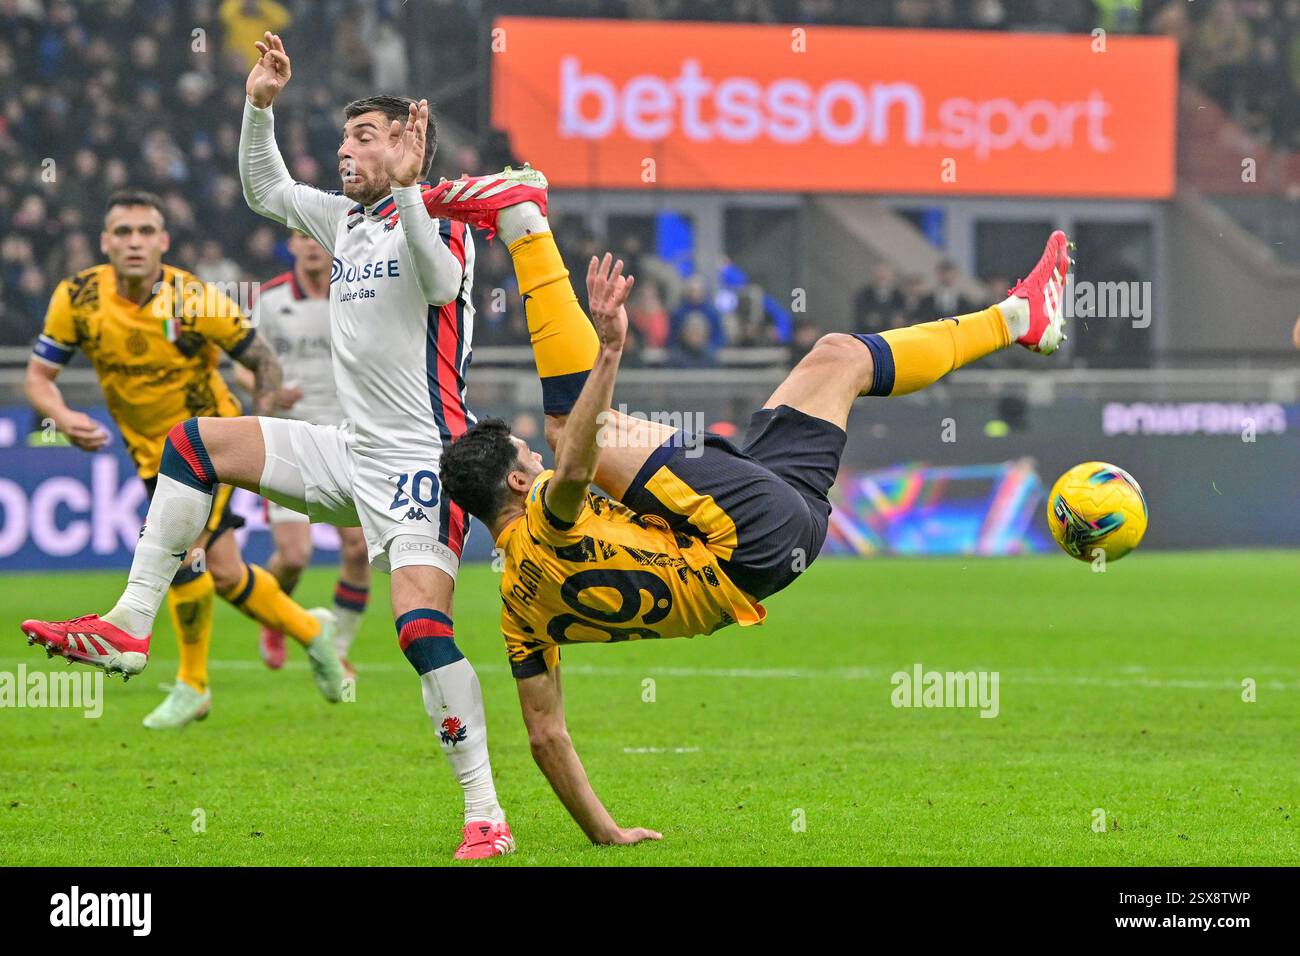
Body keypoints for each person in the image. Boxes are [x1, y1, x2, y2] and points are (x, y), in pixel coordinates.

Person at [19, 31, 544, 860]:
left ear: (409, 144)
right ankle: (129, 622)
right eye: (342, 141)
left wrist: (409, 191)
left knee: (418, 632)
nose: (344, 152)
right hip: (347, 448)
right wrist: (257, 105)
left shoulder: (442, 222)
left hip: (421, 462)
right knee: (192, 443)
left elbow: (441, 287)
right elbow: (265, 186)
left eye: (363, 139)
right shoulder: (342, 220)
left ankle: (485, 812)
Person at [437, 182, 1071, 843]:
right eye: (525, 458)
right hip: (740, 534)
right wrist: (613, 347)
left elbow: (544, 736)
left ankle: (1015, 317)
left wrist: (605, 832)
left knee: (840, 357)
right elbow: (571, 459)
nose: (536, 459)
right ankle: (525, 222)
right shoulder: (545, 515)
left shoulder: (516, 609)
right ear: (516, 480)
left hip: (773, 547)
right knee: (574, 427)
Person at [22, 188, 342, 730]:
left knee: (188, 556)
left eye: (146, 231)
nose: (134, 242)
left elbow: (263, 364)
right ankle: (313, 632)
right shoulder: (76, 298)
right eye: (122, 232)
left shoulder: (193, 298)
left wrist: (260, 433)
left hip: (208, 450)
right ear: (105, 242)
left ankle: (193, 685)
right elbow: (38, 378)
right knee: (224, 571)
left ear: (163, 241)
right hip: (150, 456)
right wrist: (63, 416)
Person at [238, 232, 371, 678]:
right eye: (301, 237)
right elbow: (241, 362)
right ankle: (274, 615)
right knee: (294, 557)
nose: (312, 245)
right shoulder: (271, 299)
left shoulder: (359, 290)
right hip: (289, 439)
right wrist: (268, 390)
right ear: (290, 245)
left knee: (358, 550)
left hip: (351, 436)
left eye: (319, 237)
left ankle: (340, 647)